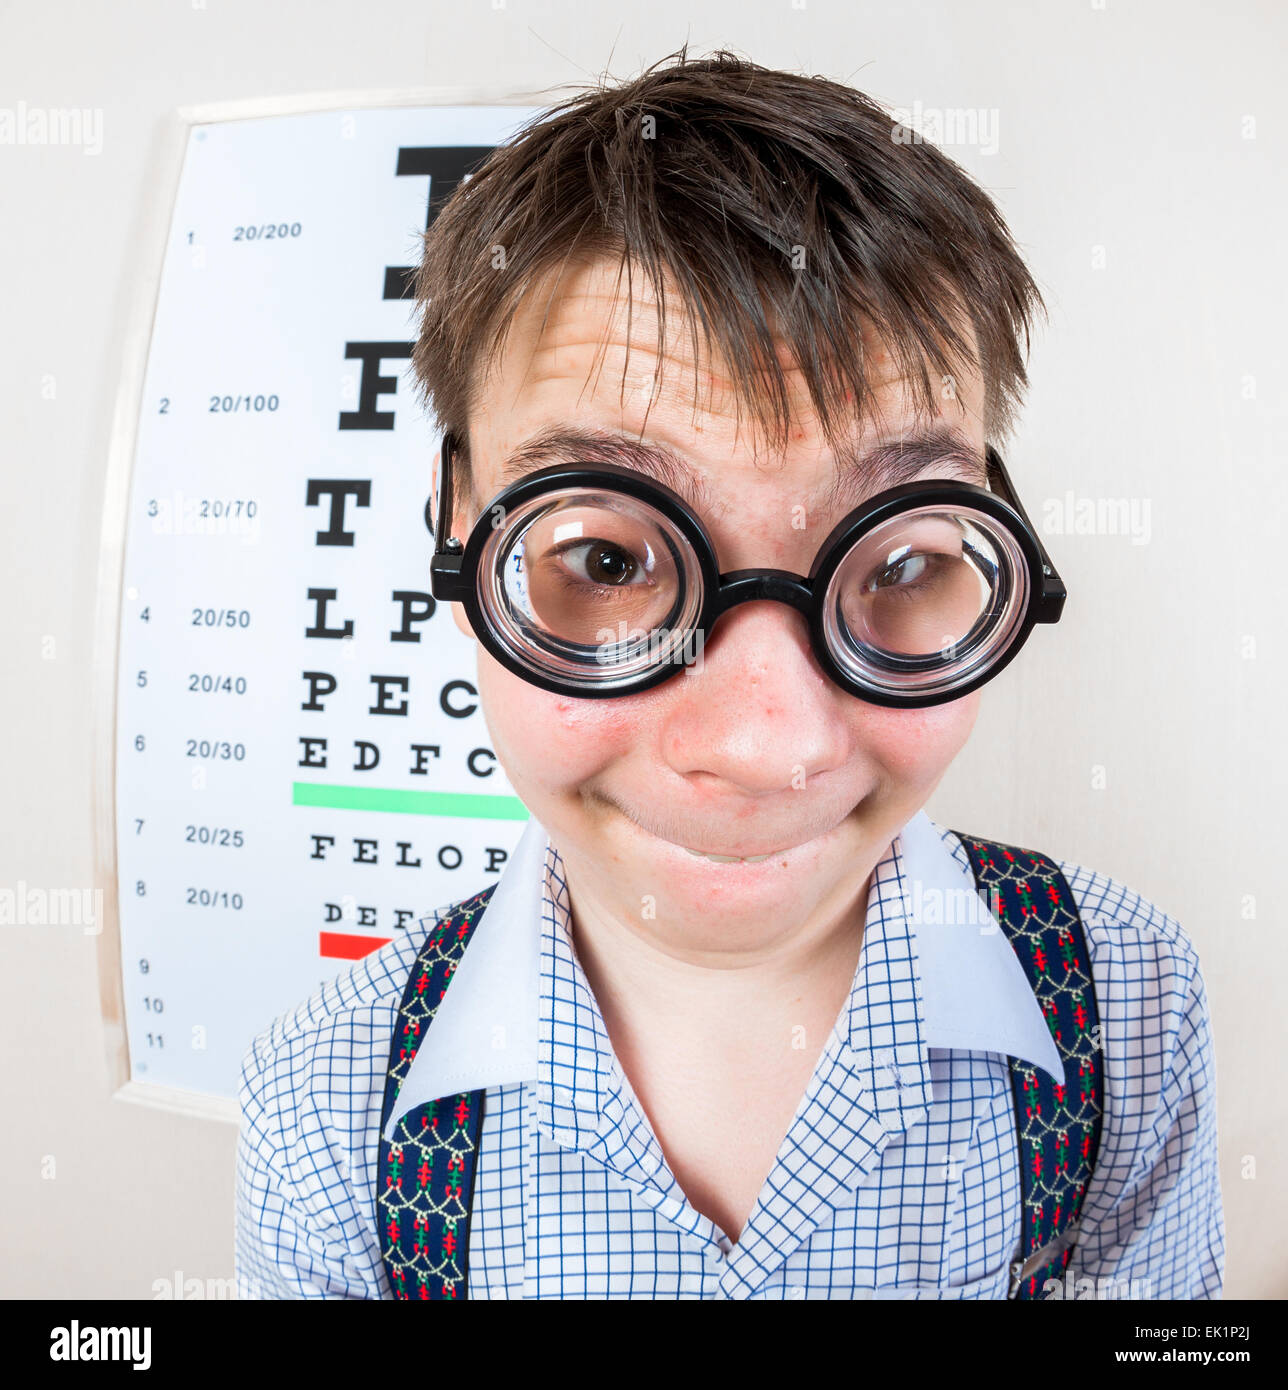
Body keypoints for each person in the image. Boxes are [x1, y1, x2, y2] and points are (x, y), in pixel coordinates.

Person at [235, 49, 1224, 1300]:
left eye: (903, 557)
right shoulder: (326, 1105)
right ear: (455, 524)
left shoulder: (1127, 999)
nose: (766, 746)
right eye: (605, 555)